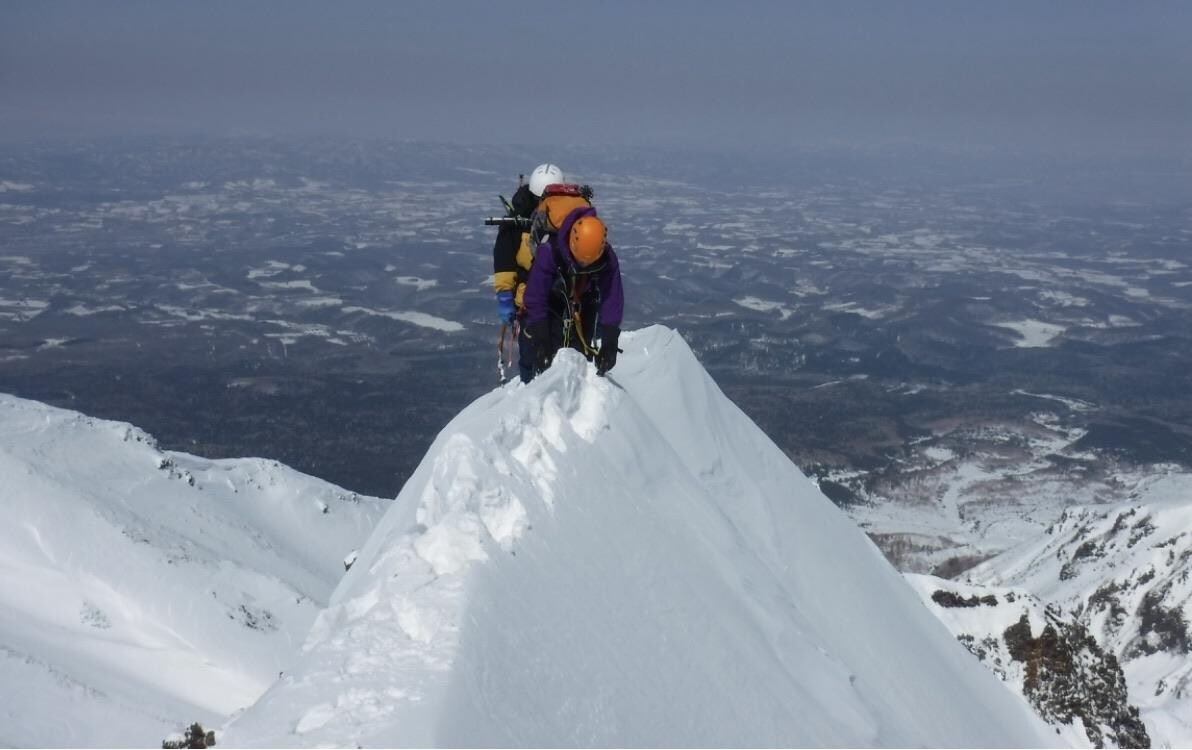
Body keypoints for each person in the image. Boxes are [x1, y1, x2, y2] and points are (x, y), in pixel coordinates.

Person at [522, 202, 624, 378]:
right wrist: (541, 340)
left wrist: (610, 341)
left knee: (580, 356)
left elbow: (612, 296)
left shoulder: (606, 257)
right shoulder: (550, 251)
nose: (583, 265)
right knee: (550, 356)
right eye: (581, 261)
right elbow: (536, 296)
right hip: (553, 301)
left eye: (588, 263)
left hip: (584, 299)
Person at [492, 163, 563, 383]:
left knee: (555, 347)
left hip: (557, 297)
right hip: (531, 300)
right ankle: (530, 387)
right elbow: (504, 260)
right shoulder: (516, 225)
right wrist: (505, 296)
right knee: (531, 349)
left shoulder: (560, 220)